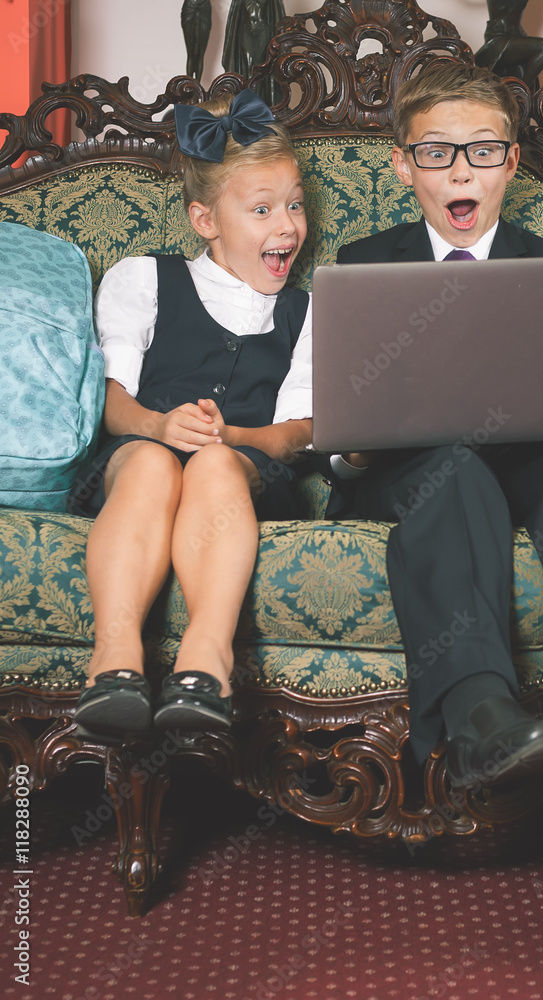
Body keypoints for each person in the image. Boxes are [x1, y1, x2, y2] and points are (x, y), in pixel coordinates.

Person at [329, 64, 543, 810]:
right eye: (437, 153)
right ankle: (483, 715)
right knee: (453, 471)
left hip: (531, 462)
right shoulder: (362, 264)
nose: (462, 172)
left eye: (483, 151)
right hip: (416, 468)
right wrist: (349, 448)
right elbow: (342, 422)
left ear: (511, 162)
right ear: (404, 165)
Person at [70, 89, 312, 739]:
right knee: (152, 465)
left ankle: (206, 663)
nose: (287, 227)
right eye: (261, 209)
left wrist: (231, 436)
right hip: (141, 452)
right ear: (205, 219)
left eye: (295, 205)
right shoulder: (145, 278)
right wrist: (156, 425)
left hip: (241, 465)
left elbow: (299, 432)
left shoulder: (306, 310)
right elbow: (113, 403)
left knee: (213, 466)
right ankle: (114, 661)